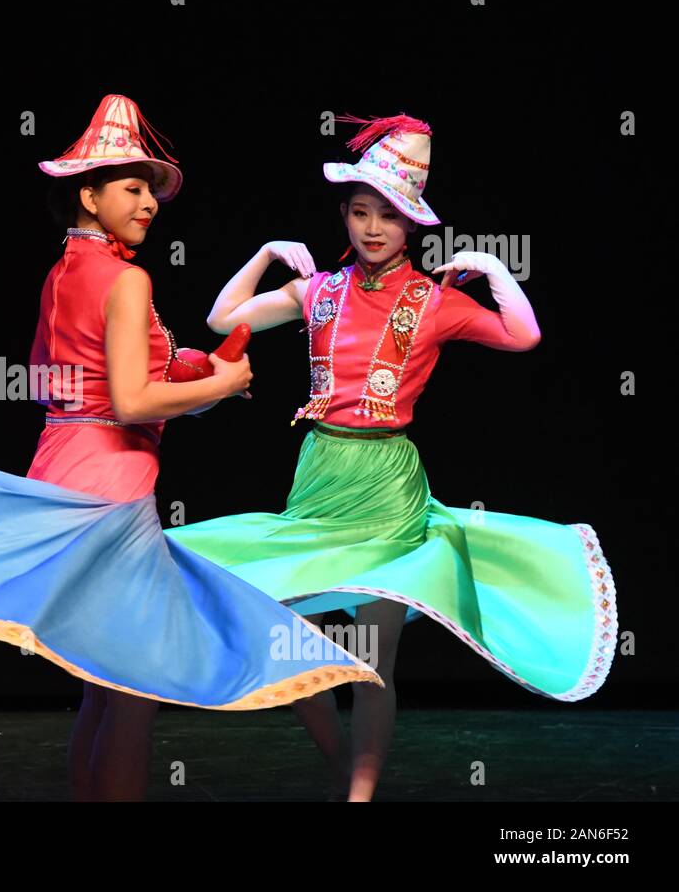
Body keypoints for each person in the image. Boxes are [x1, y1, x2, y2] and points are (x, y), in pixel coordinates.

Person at [0, 95, 381, 802]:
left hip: (60, 471)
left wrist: (186, 376)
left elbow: (61, 381)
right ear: (87, 194)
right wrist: (226, 377)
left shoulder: (63, 273)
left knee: (104, 688)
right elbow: (130, 403)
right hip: (110, 495)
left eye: (151, 188)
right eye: (131, 187)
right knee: (135, 691)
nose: (148, 202)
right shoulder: (127, 279)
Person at [164, 114, 618, 801]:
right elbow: (225, 321)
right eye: (359, 211)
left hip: (388, 485)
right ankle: (348, 767)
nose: (372, 228)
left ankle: (360, 794)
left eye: (389, 214)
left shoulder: (433, 303)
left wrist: (492, 268)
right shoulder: (316, 292)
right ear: (344, 215)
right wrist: (264, 253)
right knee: (291, 647)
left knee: (372, 661)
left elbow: (523, 335)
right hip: (319, 477)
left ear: (413, 225)